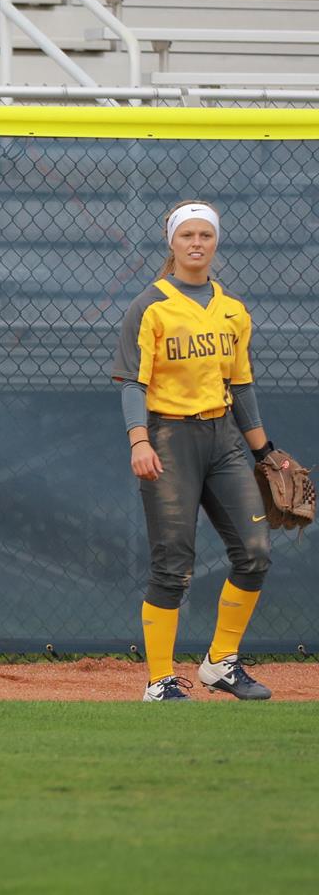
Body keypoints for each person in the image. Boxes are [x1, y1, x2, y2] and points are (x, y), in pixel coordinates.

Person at [111, 200, 291, 701]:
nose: (196, 242)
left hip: (224, 439)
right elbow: (131, 384)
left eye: (205, 235)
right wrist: (139, 440)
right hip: (168, 438)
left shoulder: (233, 310)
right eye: (186, 234)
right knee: (173, 564)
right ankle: (159, 681)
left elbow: (243, 386)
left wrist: (265, 454)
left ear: (215, 242)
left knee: (254, 554)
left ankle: (220, 663)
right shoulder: (150, 305)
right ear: (171, 242)